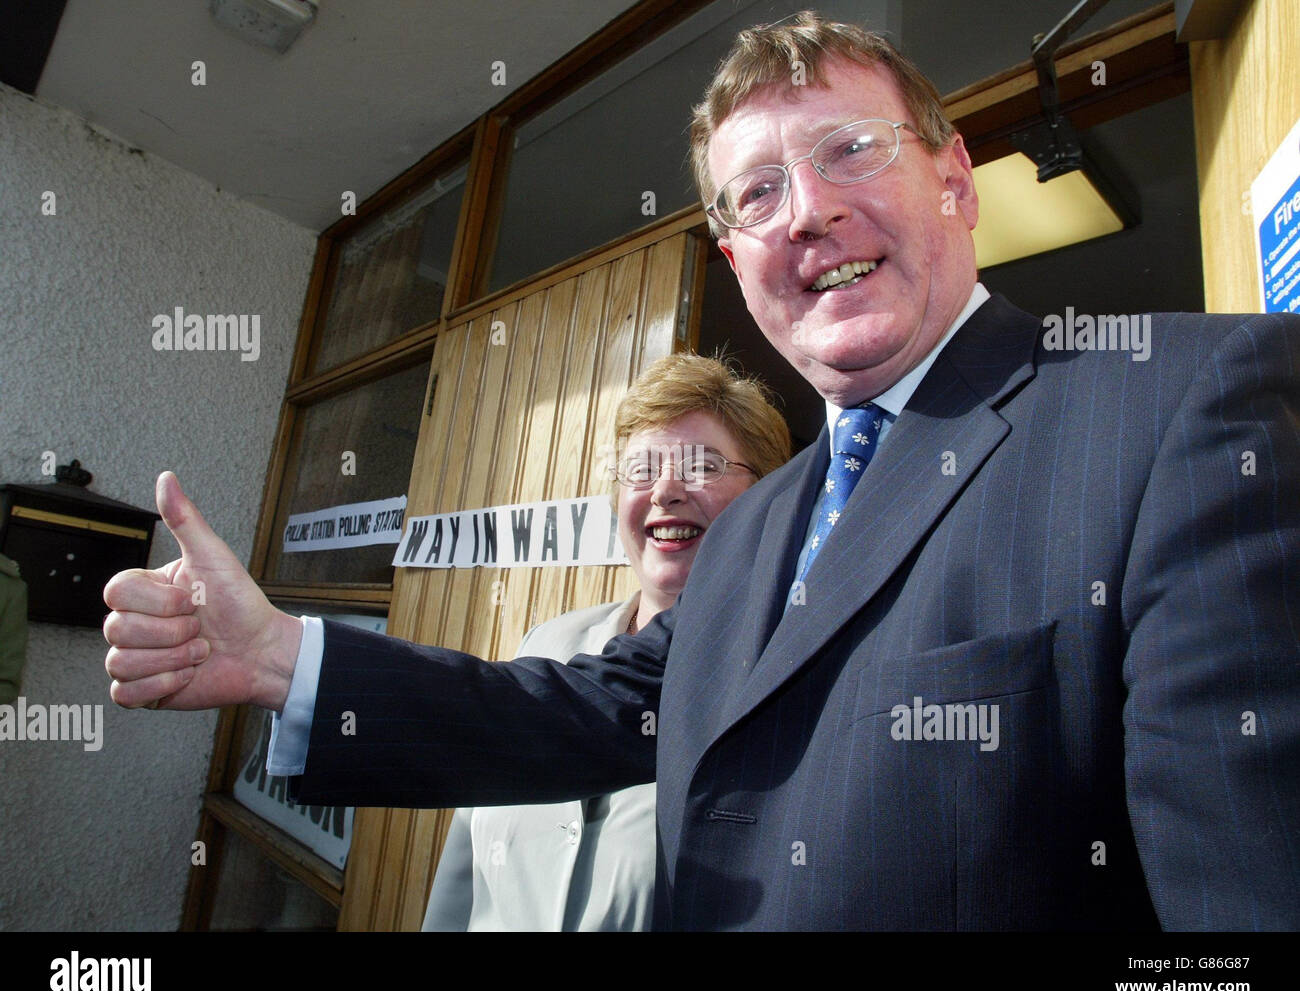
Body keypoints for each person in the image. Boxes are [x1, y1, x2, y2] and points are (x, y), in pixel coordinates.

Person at [104, 13, 1300, 930]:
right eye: (758, 194)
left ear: (952, 176)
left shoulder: (1180, 405)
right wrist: (281, 658)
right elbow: (568, 711)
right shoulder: (757, 529)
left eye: (850, 150)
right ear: (734, 260)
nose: (808, 212)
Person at [422, 353, 790, 931]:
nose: (665, 490)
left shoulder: (789, 684)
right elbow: (463, 874)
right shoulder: (548, 642)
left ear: (766, 497)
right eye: (641, 470)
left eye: (702, 465)